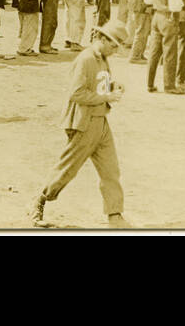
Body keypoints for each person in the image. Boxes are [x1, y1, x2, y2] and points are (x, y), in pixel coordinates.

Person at [29, 20, 131, 229]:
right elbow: (76, 92)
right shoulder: (85, 59)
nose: (114, 51)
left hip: (101, 121)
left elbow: (98, 84)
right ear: (102, 39)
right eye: (113, 46)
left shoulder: (102, 58)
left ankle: (115, 214)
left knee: (111, 170)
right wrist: (107, 97)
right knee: (67, 169)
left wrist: (113, 85)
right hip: (84, 123)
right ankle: (39, 200)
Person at [144, 0, 185, 94]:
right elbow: (176, 6)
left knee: (154, 52)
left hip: (156, 16)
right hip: (168, 17)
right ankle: (169, 86)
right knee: (170, 52)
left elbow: (147, 0)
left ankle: (150, 83)